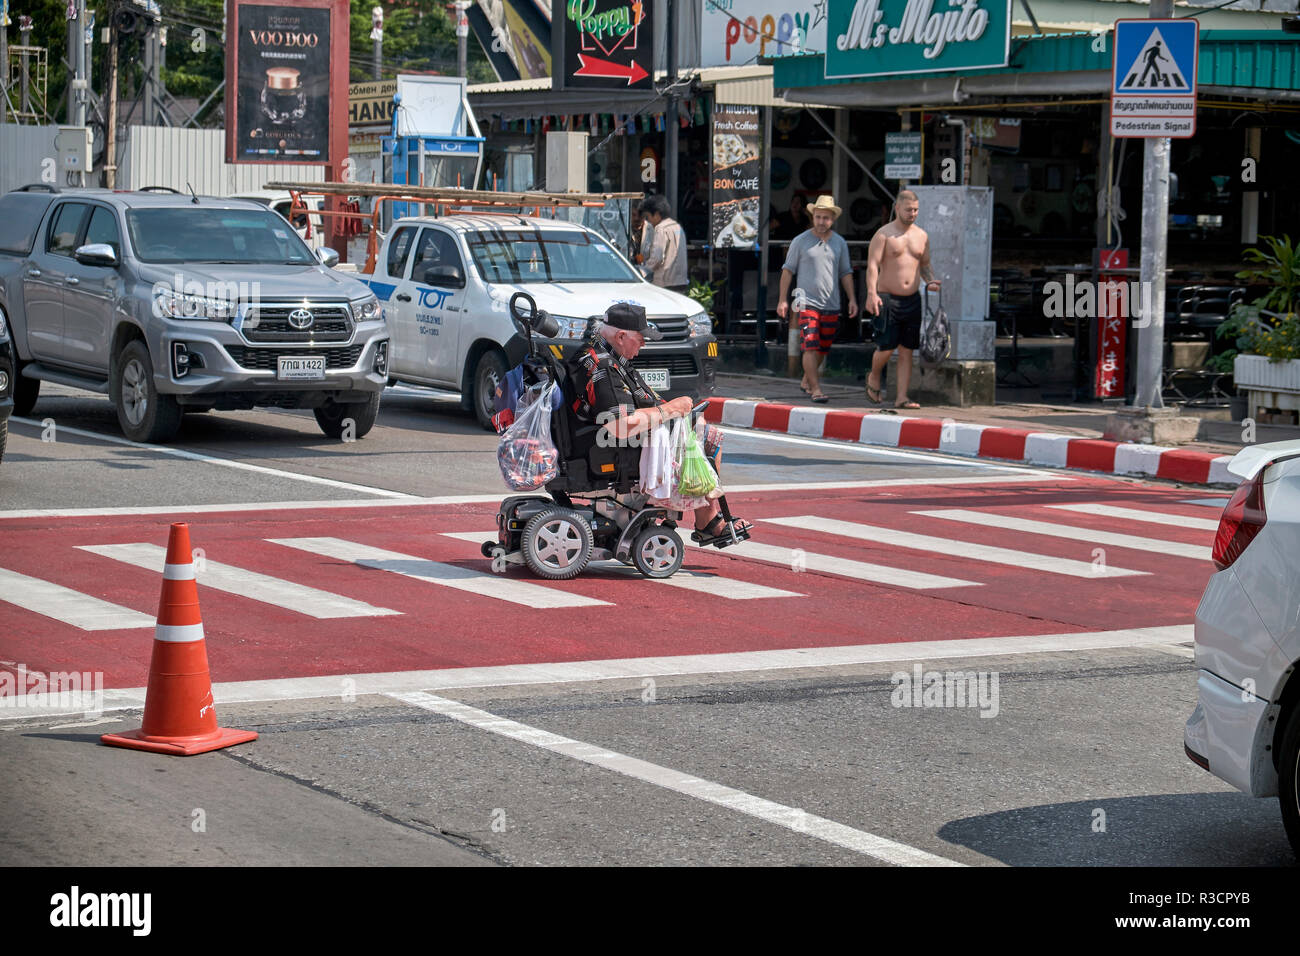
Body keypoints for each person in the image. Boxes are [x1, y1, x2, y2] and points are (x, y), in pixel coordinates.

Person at [570, 303, 750, 543]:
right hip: (608, 446)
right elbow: (621, 425)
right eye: (641, 338)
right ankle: (708, 521)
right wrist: (671, 409)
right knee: (708, 437)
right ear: (621, 336)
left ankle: (708, 518)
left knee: (700, 425)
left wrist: (680, 411)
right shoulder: (604, 366)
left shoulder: (604, 353)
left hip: (607, 437)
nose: (644, 344)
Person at [775, 194, 858, 404]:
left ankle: (806, 379)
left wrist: (852, 299)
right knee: (810, 345)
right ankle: (816, 388)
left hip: (831, 303)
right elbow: (787, 271)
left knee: (823, 346)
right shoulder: (800, 241)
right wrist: (783, 300)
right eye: (818, 217)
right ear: (813, 216)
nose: (822, 221)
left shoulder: (840, 243)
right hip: (805, 301)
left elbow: (845, 272)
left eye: (826, 218)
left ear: (833, 219)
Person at [864, 189, 941, 409]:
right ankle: (875, 374)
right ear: (897, 208)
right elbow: (872, 266)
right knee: (886, 347)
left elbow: (924, 265)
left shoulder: (922, 236)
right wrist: (872, 293)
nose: (912, 213)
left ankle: (902, 397)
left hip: (912, 299)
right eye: (908, 210)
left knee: (907, 350)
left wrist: (931, 281)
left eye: (916, 210)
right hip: (888, 298)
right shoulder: (883, 234)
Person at [640, 195, 688, 292]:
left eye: (648, 217)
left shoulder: (661, 228)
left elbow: (657, 258)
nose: (648, 221)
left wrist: (643, 271)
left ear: (657, 214)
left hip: (665, 283)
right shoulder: (677, 227)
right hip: (681, 281)